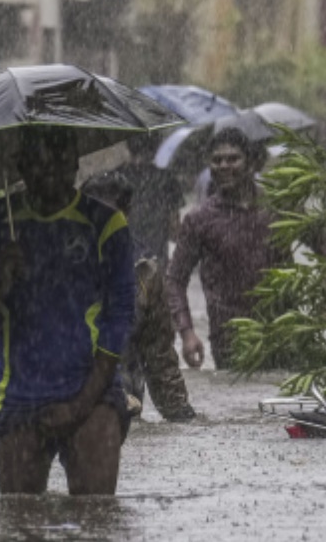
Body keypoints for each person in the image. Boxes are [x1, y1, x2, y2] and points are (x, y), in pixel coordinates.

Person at [0, 128, 137, 495]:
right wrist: (0, 284)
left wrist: (81, 404)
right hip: (18, 398)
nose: (50, 175)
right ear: (21, 167)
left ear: (75, 164)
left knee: (96, 524)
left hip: (93, 394)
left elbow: (118, 321)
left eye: (60, 164)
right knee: (19, 527)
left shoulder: (105, 223)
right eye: (38, 166)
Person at [166, 128, 292, 370]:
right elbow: (174, 279)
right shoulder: (200, 220)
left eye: (233, 159)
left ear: (251, 163)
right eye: (217, 160)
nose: (224, 165)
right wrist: (187, 333)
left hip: (285, 333)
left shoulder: (277, 206)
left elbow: (323, 244)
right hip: (231, 340)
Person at [81, 171, 196, 422]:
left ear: (126, 214)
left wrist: (180, 414)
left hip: (125, 410)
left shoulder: (145, 271)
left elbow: (158, 354)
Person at [113, 132, 185, 272]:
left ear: (128, 145)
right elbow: (174, 230)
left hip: (121, 263)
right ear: (157, 147)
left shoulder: (115, 178)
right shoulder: (167, 179)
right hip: (155, 265)